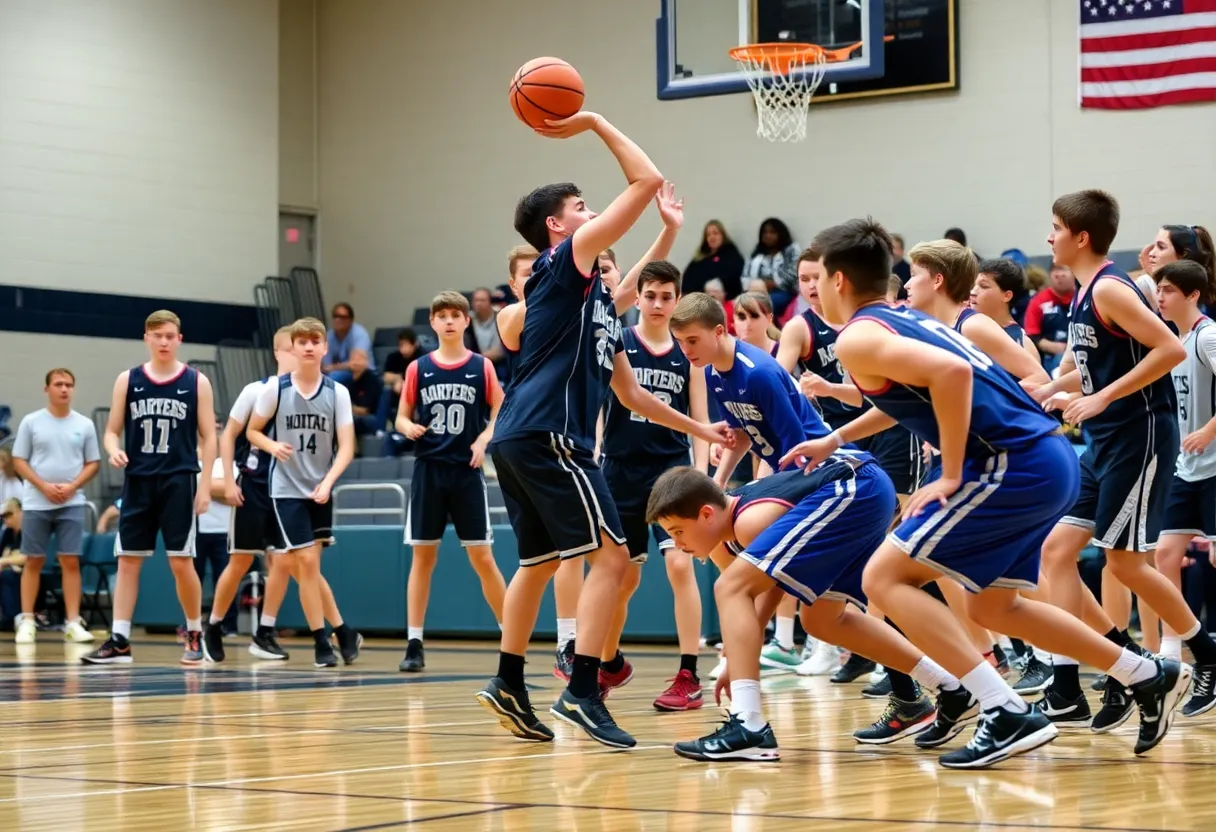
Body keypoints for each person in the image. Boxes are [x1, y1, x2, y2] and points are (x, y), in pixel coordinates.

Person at [783, 216, 1188, 768]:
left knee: (884, 576)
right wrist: (835, 437)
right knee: (994, 604)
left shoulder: (858, 336)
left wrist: (950, 473)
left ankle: (1002, 709)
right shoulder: (899, 321)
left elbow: (952, 375)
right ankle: (1145, 673)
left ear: (836, 280)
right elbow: (912, 397)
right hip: (1045, 457)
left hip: (1007, 463)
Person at [475, 112, 730, 749]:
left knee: (534, 566)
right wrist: (590, 120)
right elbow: (644, 180)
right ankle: (584, 690)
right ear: (558, 228)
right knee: (613, 559)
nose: (592, 213)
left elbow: (634, 393)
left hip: (518, 438)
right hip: (549, 436)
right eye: (582, 206)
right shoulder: (562, 264)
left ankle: (508, 681)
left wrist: (700, 425)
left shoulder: (590, 307)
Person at [1029, 190, 1214, 730]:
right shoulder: (1085, 291)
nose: (1049, 237)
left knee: (1123, 563)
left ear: (1081, 237)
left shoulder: (1111, 288)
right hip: (1105, 441)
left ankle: (1203, 652)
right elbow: (1093, 368)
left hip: (1139, 437)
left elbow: (1170, 349)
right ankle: (1101, 671)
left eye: (1056, 227)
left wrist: (1103, 397)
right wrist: (1046, 389)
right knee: (1056, 551)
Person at [647, 464, 978, 760]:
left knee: (732, 587)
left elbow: (767, 592)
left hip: (856, 487)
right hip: (860, 492)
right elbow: (747, 603)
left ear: (707, 514)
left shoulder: (749, 522)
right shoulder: (723, 538)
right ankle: (951, 687)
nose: (678, 545)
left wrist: (737, 661)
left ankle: (749, 724)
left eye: (678, 532)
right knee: (822, 620)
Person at [206, 327, 360, 664]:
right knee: (242, 560)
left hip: (289, 484)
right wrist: (229, 479)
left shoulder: (322, 391)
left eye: (309, 344)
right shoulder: (260, 390)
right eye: (294, 347)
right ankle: (214, 625)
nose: (301, 352)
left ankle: (270, 630)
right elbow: (232, 433)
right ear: (280, 352)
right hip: (255, 484)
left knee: (294, 561)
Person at [598, 260, 711, 711]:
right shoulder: (619, 342)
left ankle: (689, 673)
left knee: (680, 567)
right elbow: (601, 408)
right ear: (637, 297)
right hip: (620, 469)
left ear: (677, 299)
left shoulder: (688, 351)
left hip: (671, 470)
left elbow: (700, 418)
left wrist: (699, 474)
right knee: (621, 579)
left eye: (668, 296)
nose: (659, 304)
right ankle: (607, 662)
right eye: (651, 296)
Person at [82, 310, 217, 666]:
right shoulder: (127, 380)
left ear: (179, 339)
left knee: (181, 562)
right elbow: (111, 431)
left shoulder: (196, 381)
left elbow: (210, 437)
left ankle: (193, 632)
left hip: (179, 480)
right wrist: (113, 450)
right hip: (139, 480)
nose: (163, 341)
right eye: (157, 335)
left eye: (170, 335)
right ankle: (120, 639)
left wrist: (205, 487)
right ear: (146, 337)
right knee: (127, 561)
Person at [397, 291, 507, 672]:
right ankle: (414, 642)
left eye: (454, 315)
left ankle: (511, 635)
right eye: (440, 315)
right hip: (428, 470)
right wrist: (407, 425)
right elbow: (400, 417)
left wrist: (484, 438)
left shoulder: (481, 367)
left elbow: (500, 407)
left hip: (466, 473)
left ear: (465, 322)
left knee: (483, 557)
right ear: (432, 322)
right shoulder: (418, 368)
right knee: (422, 558)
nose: (447, 321)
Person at [670, 293, 826, 487]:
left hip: (820, 466)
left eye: (692, 341)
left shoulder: (758, 373)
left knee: (748, 514)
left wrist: (770, 492)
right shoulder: (711, 371)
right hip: (787, 467)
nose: (685, 350)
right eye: (679, 341)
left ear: (718, 331)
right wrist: (718, 481)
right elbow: (741, 433)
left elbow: (796, 445)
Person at [1153, 259, 1216, 718]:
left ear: (1193, 295)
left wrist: (1209, 430)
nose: (1160, 297)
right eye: (1158, 290)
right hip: (1185, 468)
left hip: (1214, 464)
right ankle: (1173, 655)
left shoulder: (1208, 336)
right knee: (1163, 558)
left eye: (1170, 290)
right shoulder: (1171, 341)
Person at [11, 368, 100, 645]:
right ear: (46, 389)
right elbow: (19, 460)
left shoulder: (84, 424)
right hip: (37, 502)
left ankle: (73, 621)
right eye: (59, 384)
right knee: (34, 559)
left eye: (69, 385)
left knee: (70, 560)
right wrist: (43, 486)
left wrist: (72, 487)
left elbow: (93, 462)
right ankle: (27, 619)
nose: (64, 389)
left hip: (71, 502)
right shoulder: (31, 422)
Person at [196, 429, 240, 635]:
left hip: (225, 530)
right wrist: (216, 490)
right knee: (192, 578)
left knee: (225, 577)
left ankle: (227, 624)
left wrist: (205, 489)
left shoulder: (229, 465)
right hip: (196, 529)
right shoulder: (193, 462)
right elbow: (192, 488)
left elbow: (233, 493)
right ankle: (192, 624)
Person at [971, 259, 1042, 365]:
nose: (973, 292)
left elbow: (1038, 380)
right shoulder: (963, 327)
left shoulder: (1022, 344)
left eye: (984, 286)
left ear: (1006, 296)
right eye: (973, 285)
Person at [1024, 263, 1075, 373]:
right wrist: (1054, 347)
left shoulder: (1083, 297)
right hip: (1052, 355)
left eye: (1064, 273)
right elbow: (1032, 335)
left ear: (1074, 274)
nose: (1060, 277)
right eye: (1056, 274)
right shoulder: (1038, 301)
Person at [682, 220, 744, 299]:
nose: (712, 237)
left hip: (724, 299)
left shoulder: (732, 255)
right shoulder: (699, 257)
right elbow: (687, 279)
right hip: (696, 300)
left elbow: (731, 277)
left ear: (723, 235)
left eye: (715, 233)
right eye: (708, 235)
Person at [325, 302, 374, 381]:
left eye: (342, 317)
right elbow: (325, 366)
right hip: (338, 372)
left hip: (363, 374)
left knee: (333, 377)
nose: (338, 320)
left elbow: (356, 364)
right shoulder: (329, 336)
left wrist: (334, 367)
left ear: (350, 320)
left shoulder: (359, 334)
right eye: (335, 316)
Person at [344, 348, 385, 439]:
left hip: (369, 418)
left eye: (359, 359)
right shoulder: (349, 382)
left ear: (366, 362)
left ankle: (352, 451)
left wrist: (346, 408)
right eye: (353, 359)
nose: (355, 362)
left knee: (348, 421)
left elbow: (364, 410)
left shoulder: (372, 380)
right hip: (353, 415)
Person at [0, 499, 25, 631]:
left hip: (29, 577)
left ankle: (11, 618)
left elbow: (28, 558)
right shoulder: (7, 533)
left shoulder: (29, 531)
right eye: (4, 516)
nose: (6, 519)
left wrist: (4, 561)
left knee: (7, 576)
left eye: (9, 514)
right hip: (10, 573)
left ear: (21, 512)